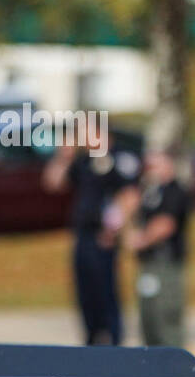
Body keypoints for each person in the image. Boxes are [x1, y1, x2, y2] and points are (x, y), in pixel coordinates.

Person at [43, 125, 140, 345]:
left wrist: (113, 228)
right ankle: (91, 339)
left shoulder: (119, 158)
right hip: (83, 235)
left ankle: (113, 341)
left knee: (105, 292)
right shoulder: (84, 161)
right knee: (85, 293)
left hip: (103, 236)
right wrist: (63, 157)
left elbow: (130, 196)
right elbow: (53, 183)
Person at [127, 149, 192, 347]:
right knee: (149, 318)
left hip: (165, 264)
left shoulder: (175, 191)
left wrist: (142, 239)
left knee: (166, 318)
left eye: (154, 166)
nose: (149, 171)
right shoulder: (149, 192)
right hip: (147, 263)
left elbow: (165, 225)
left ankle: (175, 372)